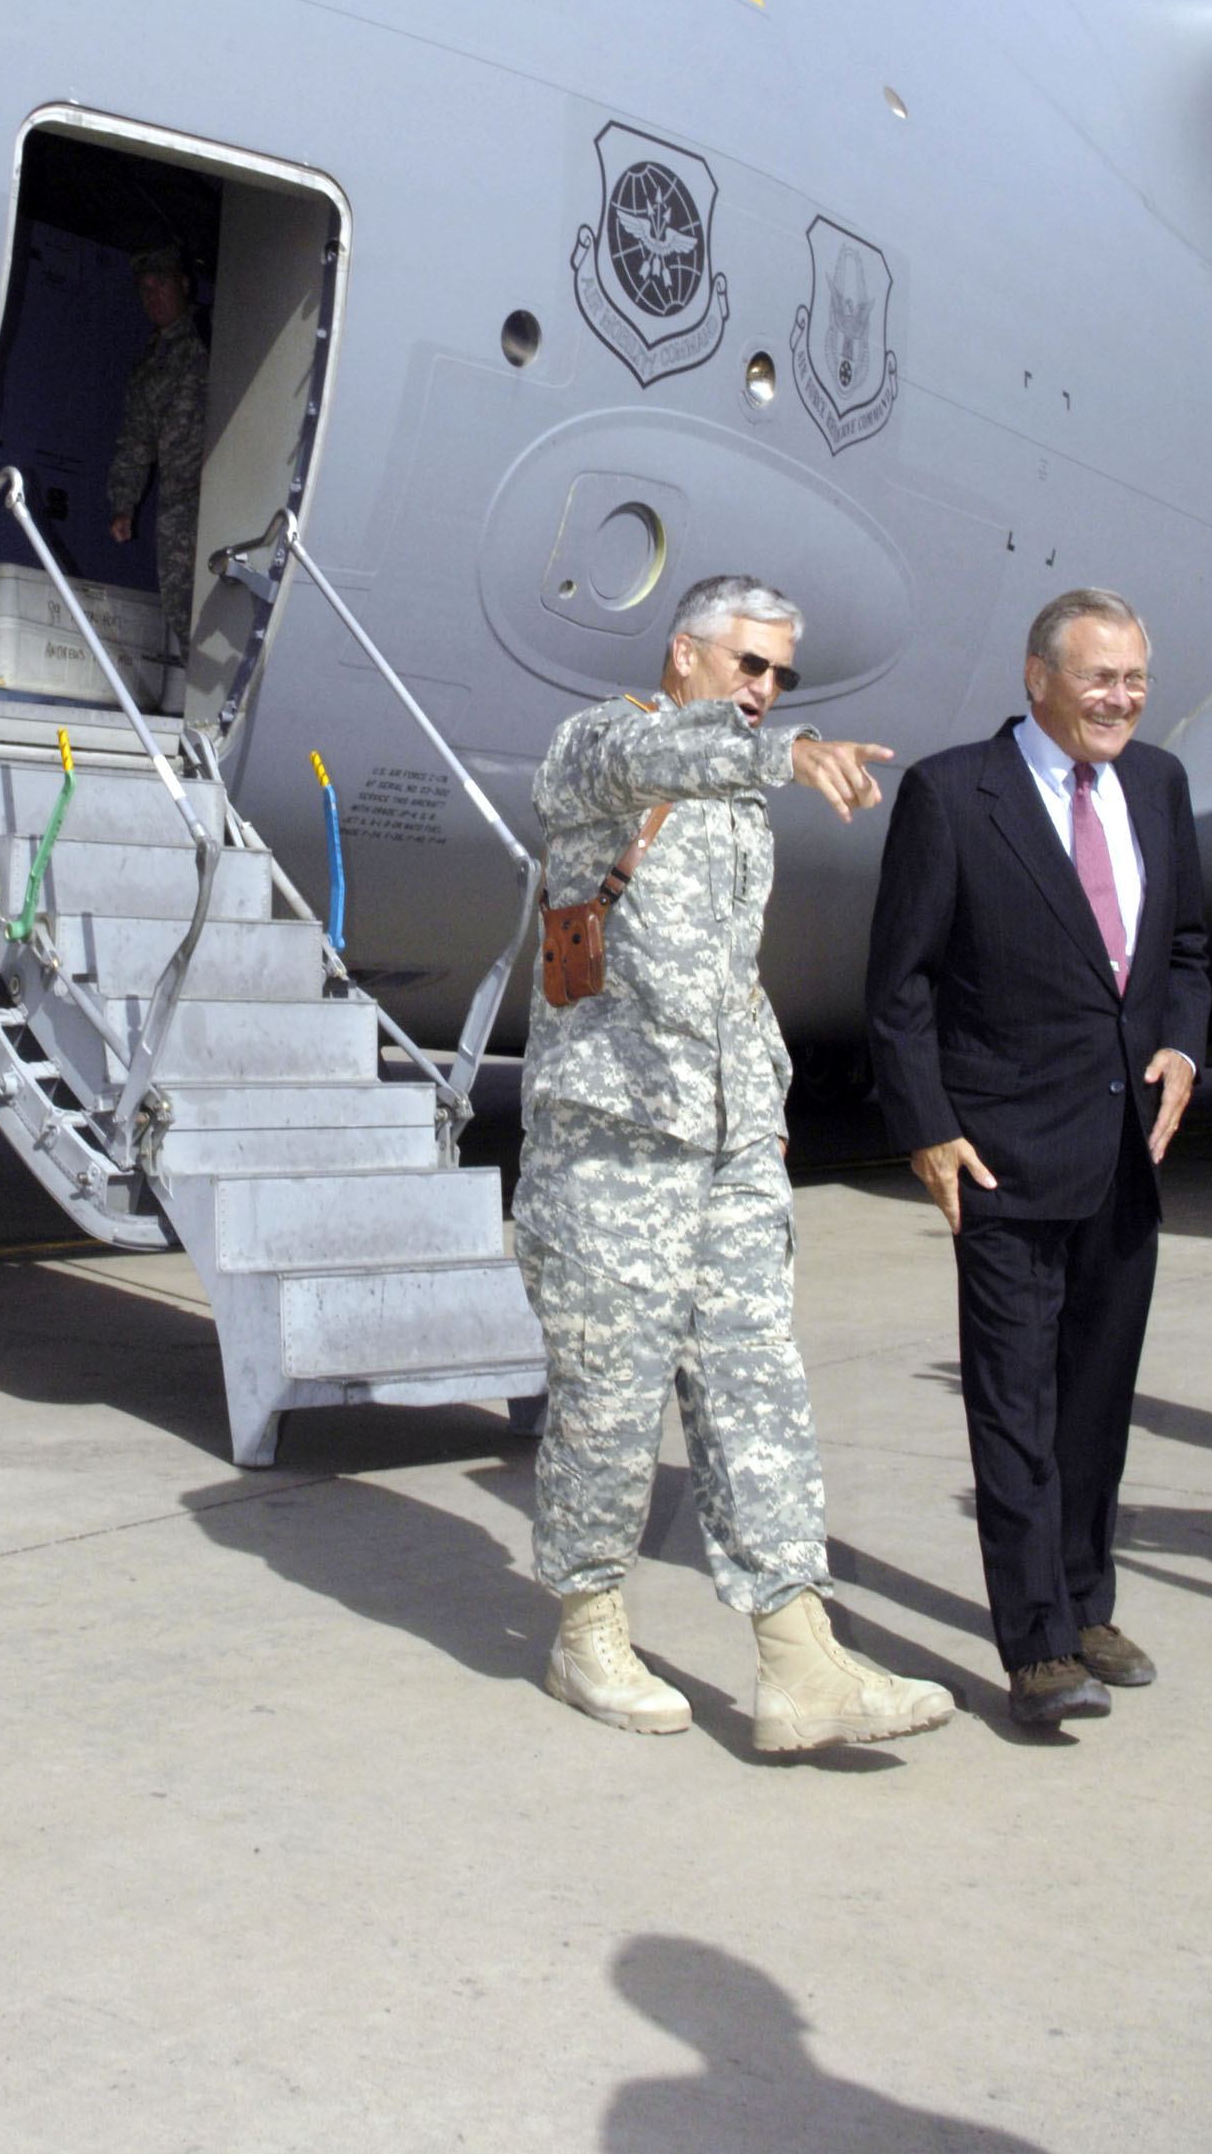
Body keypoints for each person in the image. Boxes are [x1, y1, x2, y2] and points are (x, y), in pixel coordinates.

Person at [517, 572, 956, 1754]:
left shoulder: (734, 811)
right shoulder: (598, 756)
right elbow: (634, 759)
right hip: (610, 1147)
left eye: (780, 677)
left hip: (724, 1145)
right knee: (609, 1401)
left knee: (757, 1388)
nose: (764, 690)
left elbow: (726, 976)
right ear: (684, 657)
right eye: (749, 666)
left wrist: (761, 1106)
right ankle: (586, 1627)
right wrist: (787, 748)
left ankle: (796, 1655)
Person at [863, 587, 1211, 1728]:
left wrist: (1180, 1050)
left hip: (1124, 1152)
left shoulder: (1155, 786)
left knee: (1096, 1403)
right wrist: (925, 1127)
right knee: (1012, 1405)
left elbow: (1188, 954)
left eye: (1134, 679)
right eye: (1099, 677)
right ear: (1036, 678)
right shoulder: (952, 795)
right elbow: (900, 985)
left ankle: (1083, 1600)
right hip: (999, 1155)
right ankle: (1035, 1644)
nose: (1121, 699)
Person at [106, 244, 208, 650]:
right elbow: (136, 437)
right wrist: (124, 502)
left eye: (161, 284)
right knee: (182, 602)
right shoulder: (151, 361)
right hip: (180, 501)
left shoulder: (214, 334)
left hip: (223, 488)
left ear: (184, 285)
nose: (153, 296)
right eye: (145, 289)